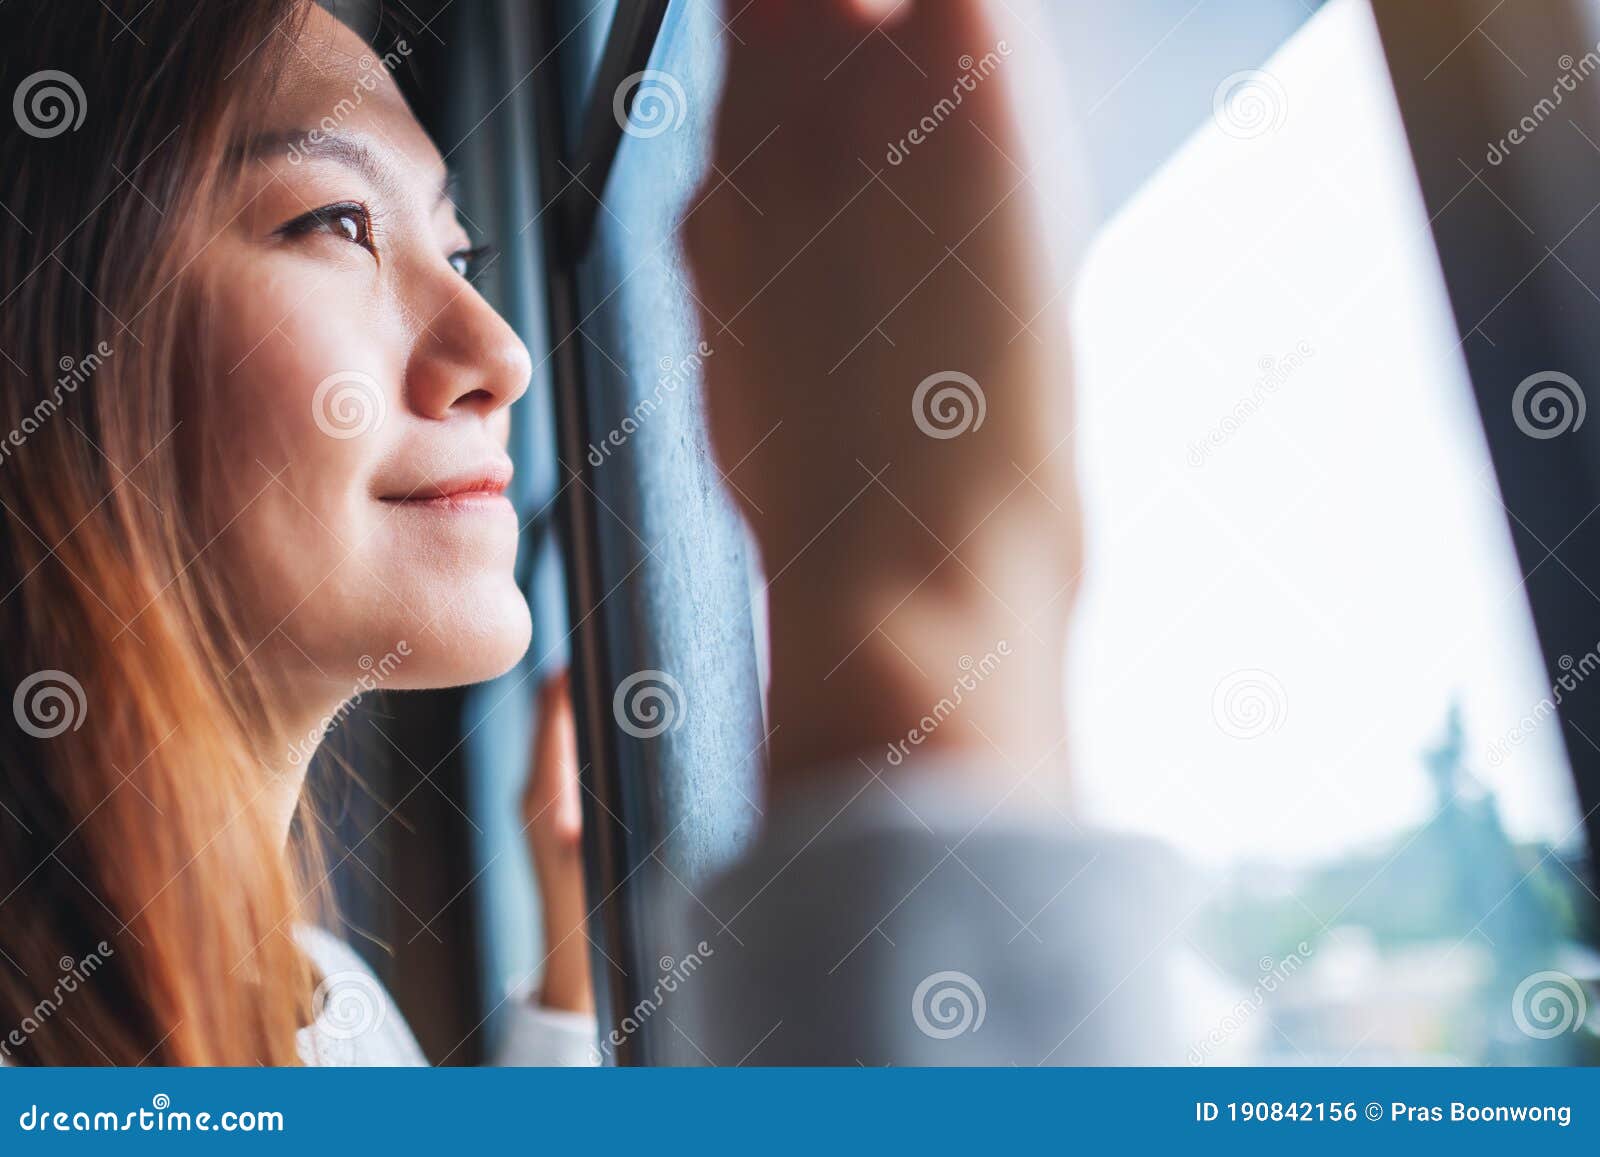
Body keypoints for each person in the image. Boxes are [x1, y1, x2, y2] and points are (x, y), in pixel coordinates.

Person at [2, 0, 1164, 1066]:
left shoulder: (318, 1000)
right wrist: (912, 631)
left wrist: (572, 965)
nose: (499, 354)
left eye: (462, 254)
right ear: (43, 329)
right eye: (335, 222)